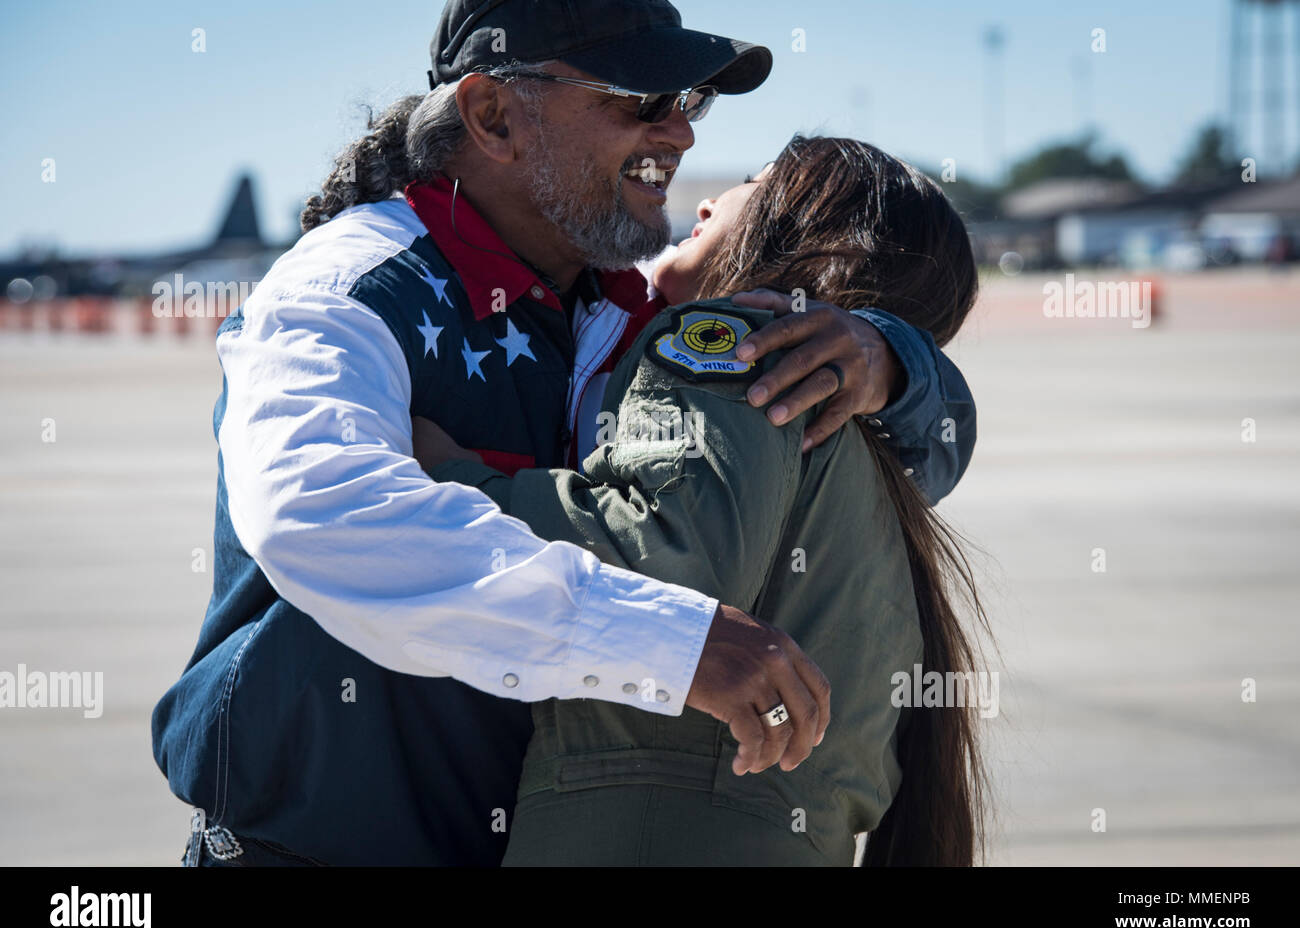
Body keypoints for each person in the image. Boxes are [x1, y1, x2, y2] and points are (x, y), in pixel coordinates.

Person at [152, 0, 977, 866]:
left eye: (687, 102)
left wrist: (895, 360)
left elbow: (881, 461)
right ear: (494, 116)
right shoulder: (349, 288)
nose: (681, 135)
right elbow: (317, 517)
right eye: (638, 98)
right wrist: (668, 643)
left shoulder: (630, 307)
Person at [414, 136, 989, 865]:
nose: (711, 198)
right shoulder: (874, 461)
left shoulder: (731, 344)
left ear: (813, 229)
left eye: (756, 181)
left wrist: (448, 478)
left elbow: (664, 563)